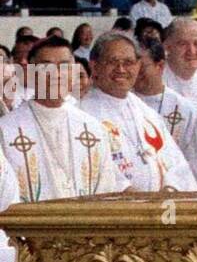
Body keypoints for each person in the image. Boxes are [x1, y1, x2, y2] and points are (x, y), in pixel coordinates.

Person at [0, 40, 124, 199]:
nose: (56, 74)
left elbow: (107, 189)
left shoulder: (93, 128)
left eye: (64, 66)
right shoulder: (6, 129)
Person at [82, 31, 197, 191]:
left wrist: (170, 189)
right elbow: (90, 166)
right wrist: (127, 191)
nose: (121, 69)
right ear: (94, 66)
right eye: (112, 61)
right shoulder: (83, 114)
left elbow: (176, 163)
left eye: (129, 62)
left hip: (159, 207)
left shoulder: (146, 113)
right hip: (118, 210)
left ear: (137, 66)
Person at [133, 38, 197, 151]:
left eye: (141, 67)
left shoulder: (183, 108)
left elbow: (191, 153)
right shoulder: (122, 101)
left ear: (160, 66)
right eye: (131, 65)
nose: (134, 72)